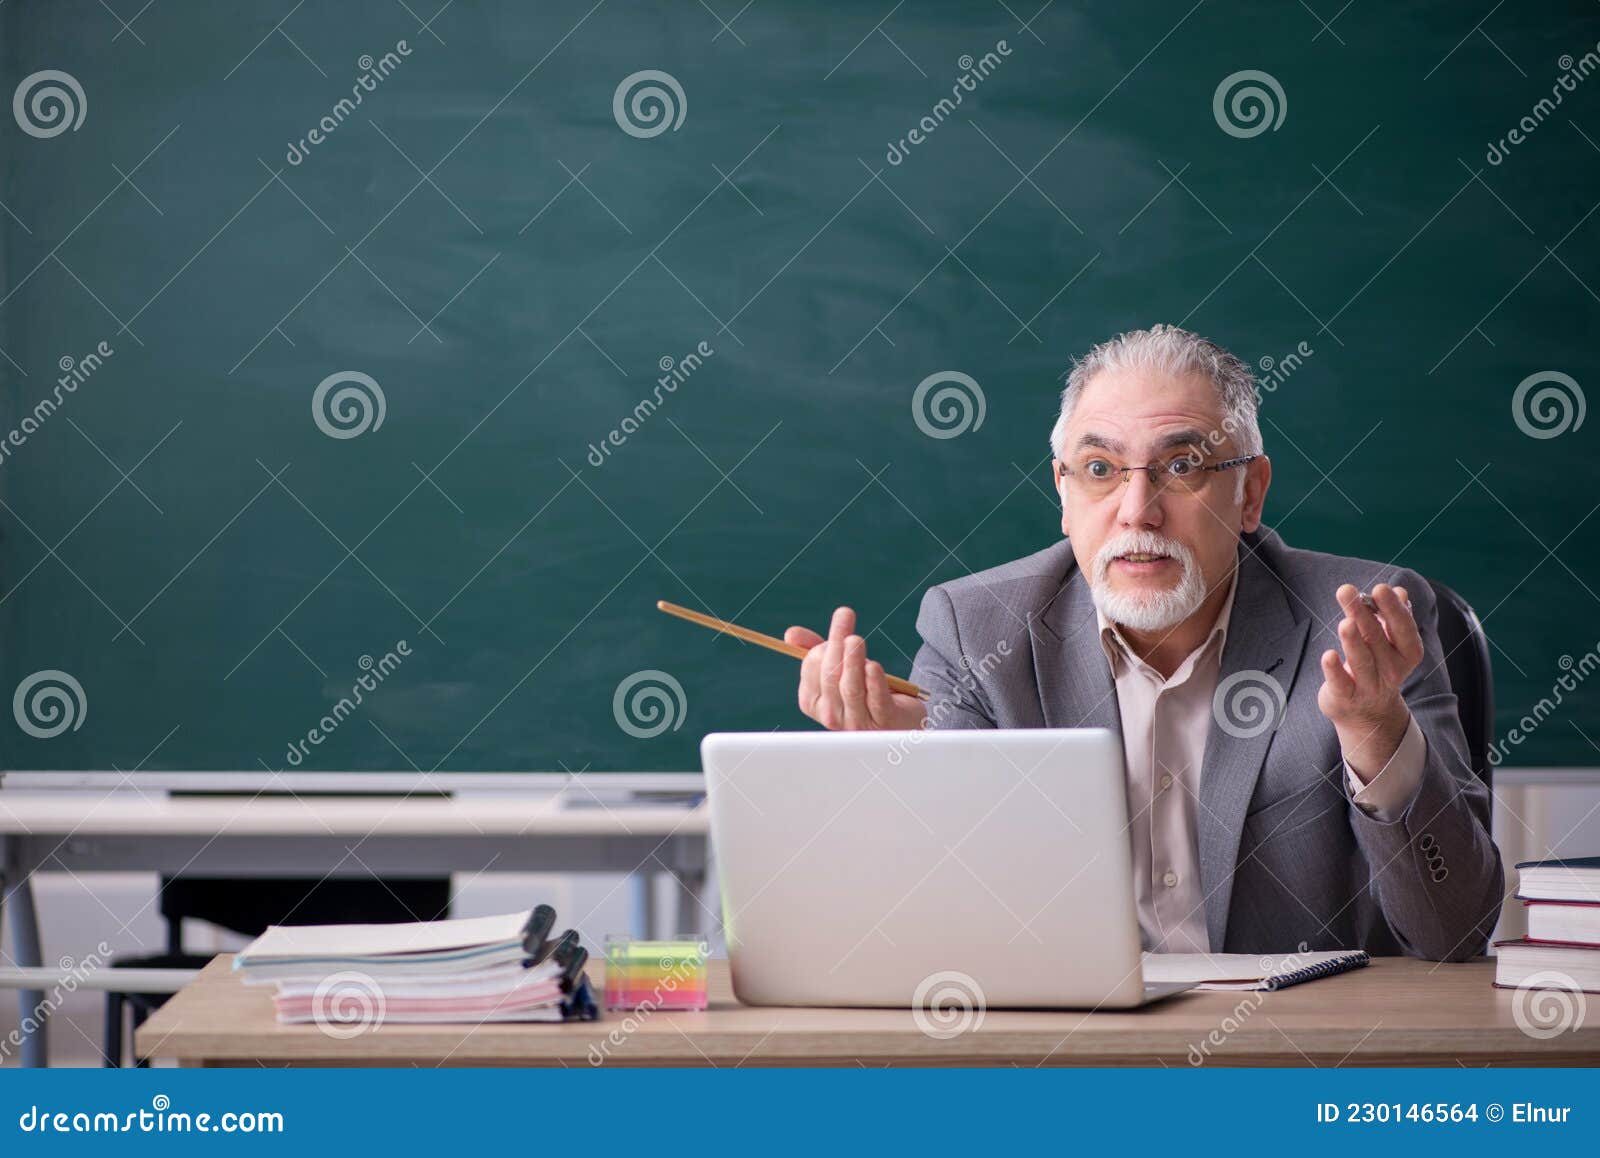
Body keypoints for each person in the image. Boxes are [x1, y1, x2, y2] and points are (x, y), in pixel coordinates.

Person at [784, 324, 1503, 961]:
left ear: (1250, 494)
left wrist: (1379, 738)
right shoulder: (977, 633)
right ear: (1064, 494)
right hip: (1065, 1056)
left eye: (1182, 466)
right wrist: (903, 771)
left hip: (1291, 1059)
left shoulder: (1364, 626)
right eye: (1100, 470)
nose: (1137, 510)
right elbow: (947, 926)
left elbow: (1455, 931)